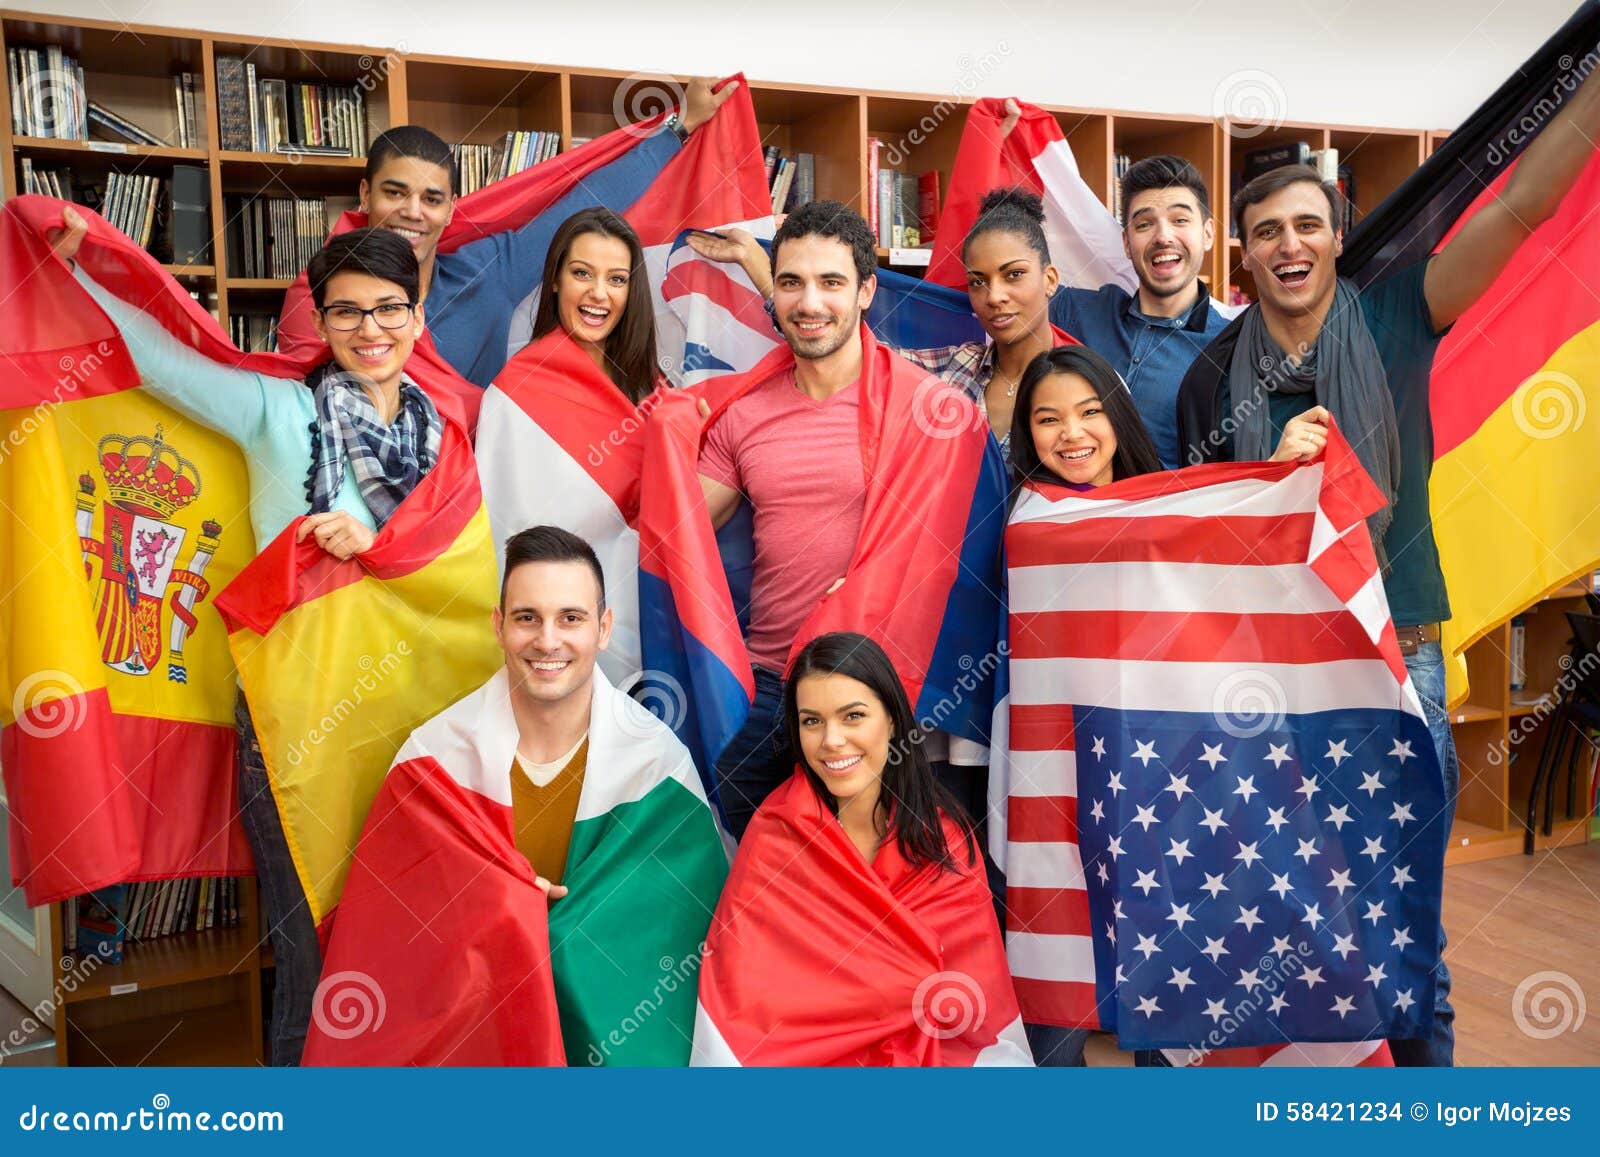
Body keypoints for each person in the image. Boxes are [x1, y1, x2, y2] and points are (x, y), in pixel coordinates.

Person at [1174, 65, 1600, 1068]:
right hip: (1275, 686)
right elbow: (1194, 552)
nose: (1289, 244)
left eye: (1307, 225)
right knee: (1287, 930)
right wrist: (1266, 481)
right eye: (1267, 230)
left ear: (1337, 235)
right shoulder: (1209, 377)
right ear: (1242, 254)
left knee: (1407, 933)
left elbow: (1529, 202)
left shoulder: (1400, 310)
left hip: (1397, 663)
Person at [49, 209, 447, 1065]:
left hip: (415, 725)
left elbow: (459, 570)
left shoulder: (446, 435)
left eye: (387, 308)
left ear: (419, 319)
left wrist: (380, 550)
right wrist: (78, 268)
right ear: (318, 320)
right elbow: (161, 365)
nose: (368, 329)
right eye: (345, 311)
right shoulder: (279, 412)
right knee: (309, 954)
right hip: (295, 721)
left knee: (401, 943)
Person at [304, 526, 727, 1065]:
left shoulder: (658, 765)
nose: (548, 641)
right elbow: (393, 939)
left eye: (570, 618)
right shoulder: (432, 759)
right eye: (527, 618)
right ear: (499, 628)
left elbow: (675, 942)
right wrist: (506, 909)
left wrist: (562, 935)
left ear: (604, 629)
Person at [694, 200, 998, 838]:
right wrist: (666, 434)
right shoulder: (741, 414)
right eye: (791, 282)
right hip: (771, 687)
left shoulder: (931, 412)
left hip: (881, 696)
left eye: (831, 283)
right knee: (759, 871)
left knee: (877, 887)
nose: (810, 302)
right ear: (771, 291)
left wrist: (878, 594)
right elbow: (679, 533)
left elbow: (971, 555)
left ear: (865, 292)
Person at [690, 632, 1030, 1066]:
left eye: (852, 716)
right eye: (811, 721)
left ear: (891, 719)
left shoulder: (943, 837)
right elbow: (745, 995)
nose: (831, 740)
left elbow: (970, 997)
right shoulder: (775, 835)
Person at [275, 78, 737, 387]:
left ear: (451, 209)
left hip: (469, 508)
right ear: (364, 195)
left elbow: (585, 203)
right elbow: (300, 415)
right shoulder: (318, 294)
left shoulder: (487, 273)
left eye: (432, 199)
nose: (412, 213)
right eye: (395, 194)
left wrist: (680, 128)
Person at [1002, 343, 1161, 1068]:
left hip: (1163, 758)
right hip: (1058, 757)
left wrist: (1281, 476)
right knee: (1059, 927)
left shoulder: (1174, 508)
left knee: (1169, 939)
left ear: (1119, 417)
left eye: (1090, 412)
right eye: (1047, 419)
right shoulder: (1028, 519)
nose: (1072, 433)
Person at [689, 186, 1071, 460]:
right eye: (978, 281)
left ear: (1050, 279)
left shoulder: (1090, 384)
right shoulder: (949, 370)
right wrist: (756, 262)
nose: (994, 296)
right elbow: (842, 345)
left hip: (1045, 568)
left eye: (1014, 275)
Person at [1047, 152, 1235, 470]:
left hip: (1167, 515)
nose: (1163, 237)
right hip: (1070, 514)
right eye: (1145, 224)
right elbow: (1005, 283)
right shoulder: (1077, 311)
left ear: (1207, 234)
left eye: (1180, 220)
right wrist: (996, 147)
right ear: (1126, 242)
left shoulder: (1231, 346)